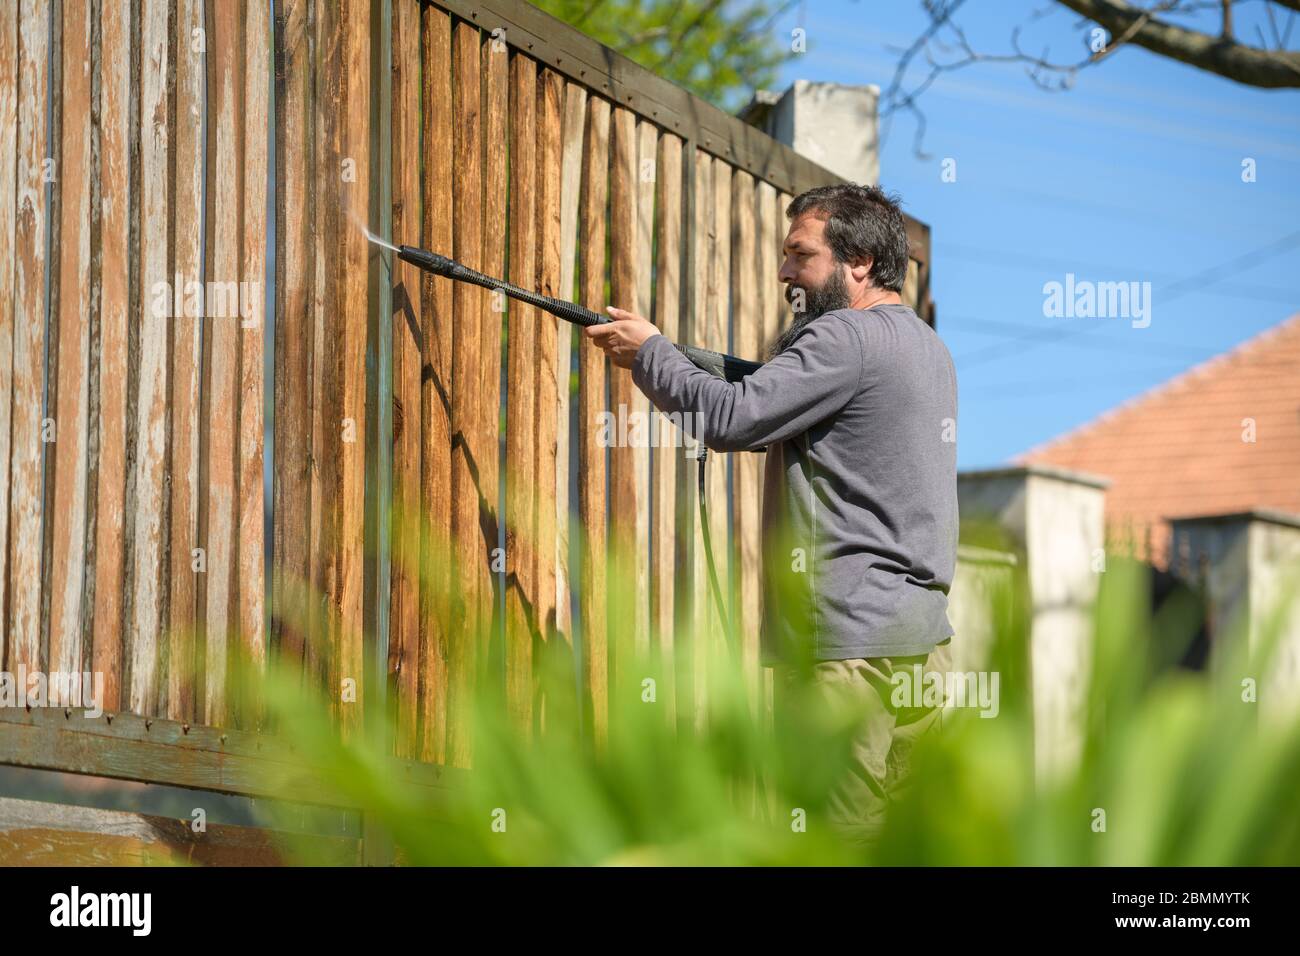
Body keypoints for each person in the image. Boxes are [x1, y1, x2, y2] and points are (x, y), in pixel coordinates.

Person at [585, 183, 958, 847]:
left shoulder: (843, 335)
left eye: (800, 255)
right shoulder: (925, 346)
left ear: (861, 261)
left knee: (835, 843)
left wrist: (649, 354)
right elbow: (784, 405)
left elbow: (732, 420)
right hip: (921, 646)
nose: (785, 273)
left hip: (850, 651)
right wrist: (686, 359)